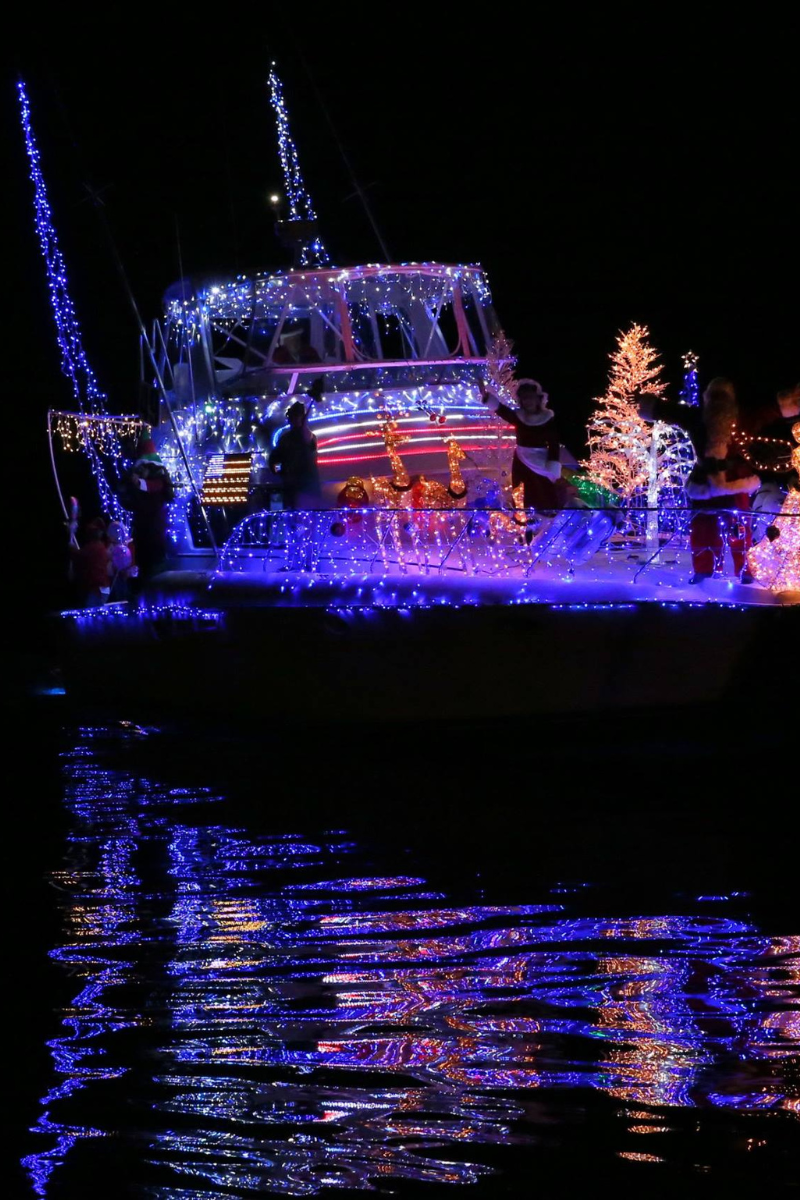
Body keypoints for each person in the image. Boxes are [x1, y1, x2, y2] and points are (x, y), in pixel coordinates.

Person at [638, 378, 760, 583]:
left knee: (738, 529)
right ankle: (705, 571)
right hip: (707, 481)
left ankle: (744, 571)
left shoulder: (743, 419)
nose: (719, 403)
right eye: (715, 398)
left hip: (734, 480)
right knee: (705, 528)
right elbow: (670, 410)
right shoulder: (697, 418)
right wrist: (652, 404)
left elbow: (769, 411)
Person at [478, 378, 562, 509]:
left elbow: (554, 443)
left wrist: (553, 463)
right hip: (522, 459)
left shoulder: (547, 418)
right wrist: (486, 396)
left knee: (543, 489)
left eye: (530, 397)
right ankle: (523, 518)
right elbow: (502, 410)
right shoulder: (519, 416)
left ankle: (548, 516)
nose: (527, 401)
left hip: (541, 460)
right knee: (522, 490)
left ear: (538, 399)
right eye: (524, 398)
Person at [117, 433, 174, 581]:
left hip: (154, 532)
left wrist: (137, 483)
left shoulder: (158, 482)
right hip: (143, 531)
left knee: (154, 567)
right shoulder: (140, 486)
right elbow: (129, 502)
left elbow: (153, 487)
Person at [268, 400, 321, 508]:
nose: (294, 419)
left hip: (307, 487)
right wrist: (281, 473)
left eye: (297, 416)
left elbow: (307, 441)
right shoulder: (285, 439)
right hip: (291, 487)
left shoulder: (308, 436)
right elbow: (275, 460)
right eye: (293, 416)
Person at [70, 518, 111, 606]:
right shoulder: (100, 546)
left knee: (93, 615)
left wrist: (72, 548)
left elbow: (79, 556)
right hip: (103, 587)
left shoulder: (95, 547)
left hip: (97, 588)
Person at [106, 520, 135, 601]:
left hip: (122, 574)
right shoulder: (112, 546)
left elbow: (128, 560)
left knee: (122, 592)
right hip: (112, 574)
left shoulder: (126, 546)